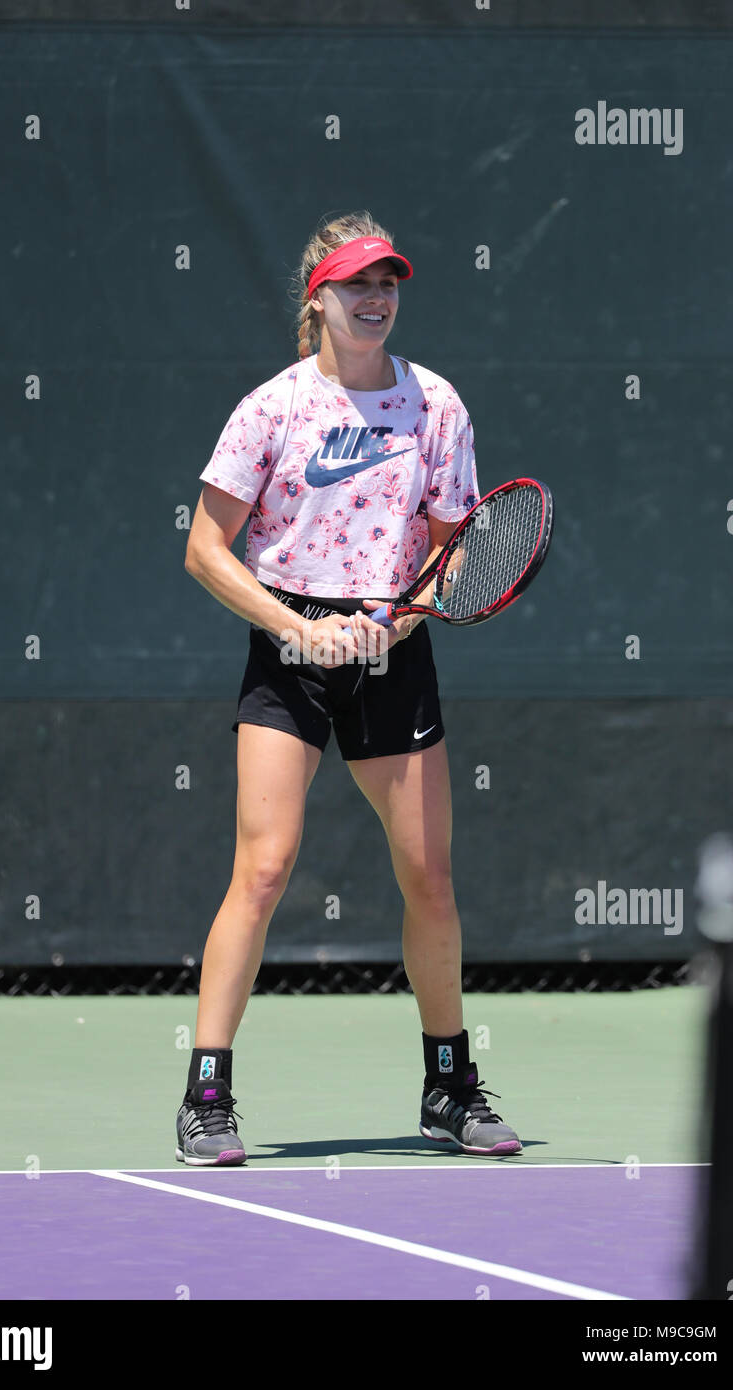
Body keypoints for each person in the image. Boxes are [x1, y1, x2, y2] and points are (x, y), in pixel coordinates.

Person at [176, 210, 522, 1165]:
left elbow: (458, 552)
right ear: (317, 300)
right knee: (265, 868)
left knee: (431, 878)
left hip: (392, 646)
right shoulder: (271, 410)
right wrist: (296, 629)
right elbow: (205, 550)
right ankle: (207, 1093)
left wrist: (396, 621)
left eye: (390, 282)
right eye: (358, 284)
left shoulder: (436, 406)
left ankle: (450, 1087)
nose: (377, 299)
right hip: (289, 650)